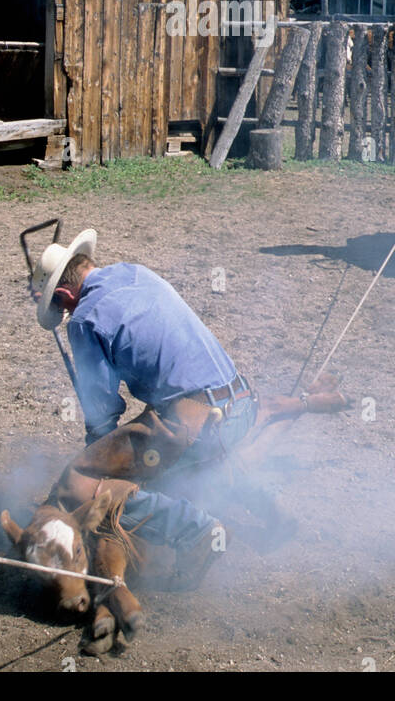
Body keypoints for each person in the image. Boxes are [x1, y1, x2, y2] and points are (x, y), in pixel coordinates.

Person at [32, 227, 258, 588]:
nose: (65, 312)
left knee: (80, 482)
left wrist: (98, 458)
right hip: (241, 403)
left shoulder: (85, 317)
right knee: (140, 460)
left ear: (63, 293)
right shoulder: (134, 271)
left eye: (61, 305)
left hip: (197, 422)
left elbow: (102, 413)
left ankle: (197, 532)